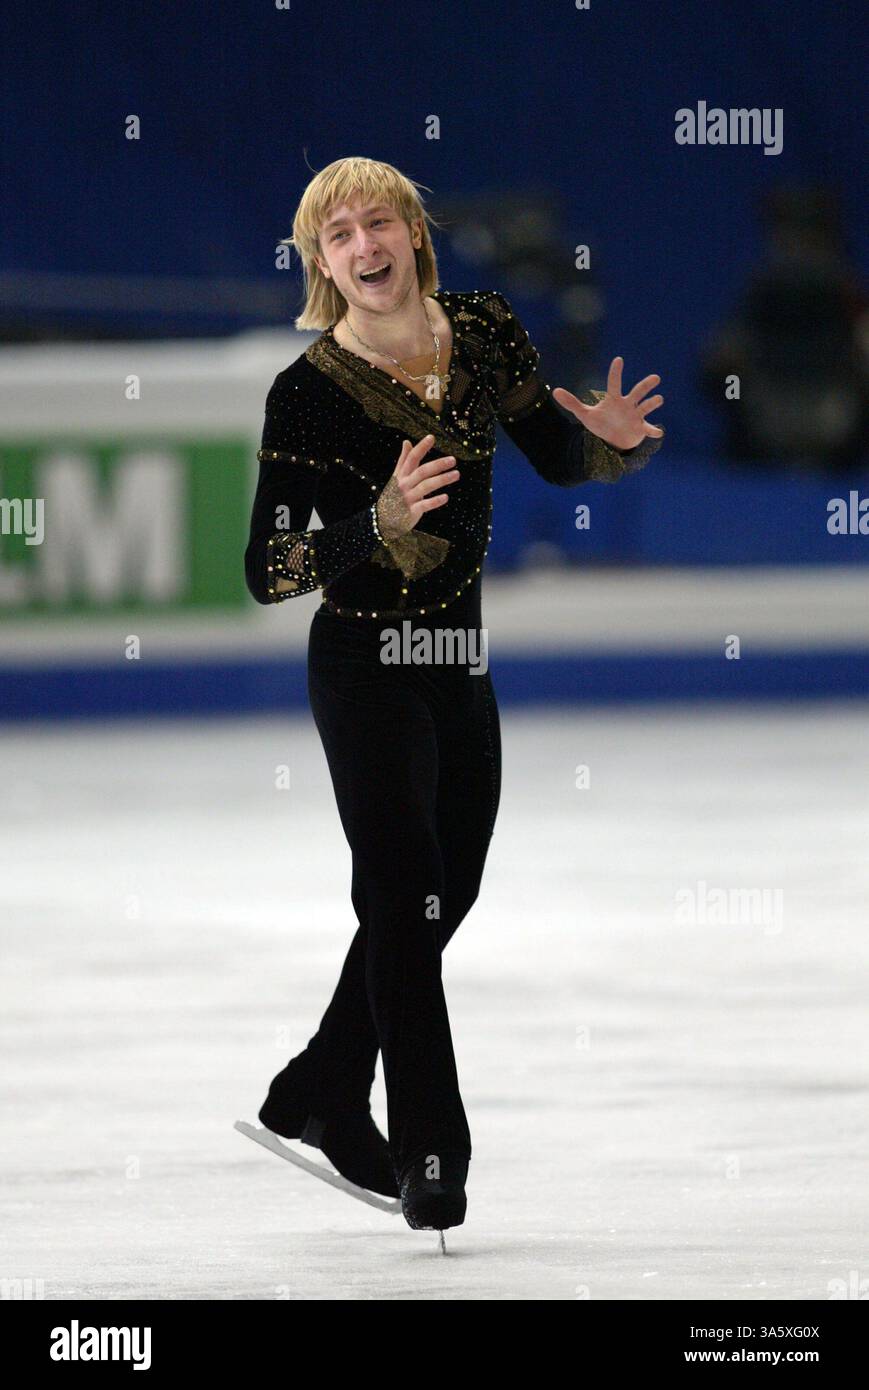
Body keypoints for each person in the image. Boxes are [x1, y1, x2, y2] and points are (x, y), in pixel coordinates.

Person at [244, 156, 665, 1233]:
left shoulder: (480, 329)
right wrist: (372, 523)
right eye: (336, 237)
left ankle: (318, 1085)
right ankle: (429, 1151)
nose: (361, 247)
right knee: (401, 894)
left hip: (454, 664)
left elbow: (554, 456)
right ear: (321, 264)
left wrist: (606, 449)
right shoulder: (305, 394)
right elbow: (267, 571)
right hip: (360, 666)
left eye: (375, 222)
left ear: (412, 233)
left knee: (444, 892)